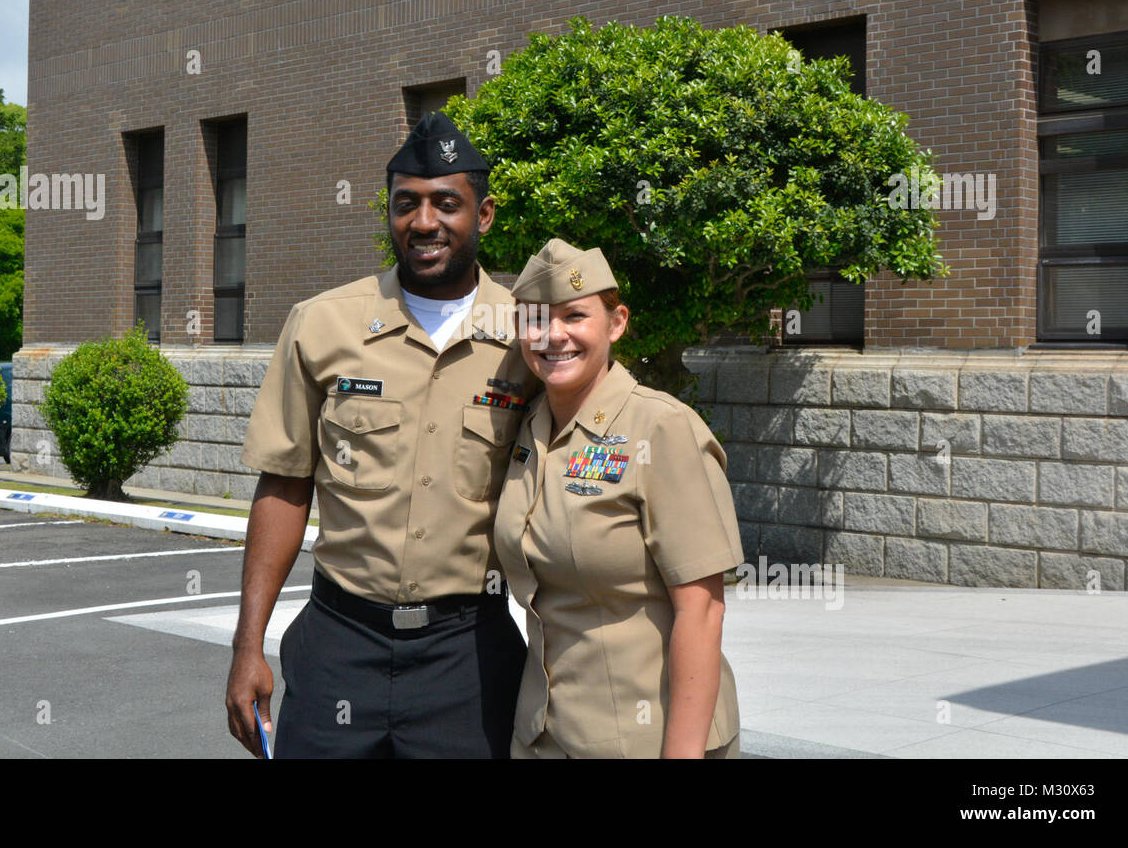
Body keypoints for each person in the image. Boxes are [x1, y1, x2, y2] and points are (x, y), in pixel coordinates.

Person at [225, 112, 539, 758]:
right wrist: (247, 645)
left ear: (484, 216)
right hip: (341, 642)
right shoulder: (321, 326)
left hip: (469, 654)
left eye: (446, 203)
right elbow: (284, 482)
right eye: (406, 205)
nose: (424, 223)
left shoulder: (529, 339)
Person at [493, 238, 745, 758]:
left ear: (617, 322)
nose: (553, 335)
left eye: (574, 316)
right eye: (536, 320)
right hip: (543, 732)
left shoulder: (661, 428)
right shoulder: (528, 428)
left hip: (645, 740)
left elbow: (702, 611)